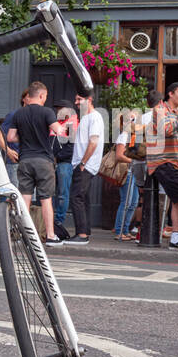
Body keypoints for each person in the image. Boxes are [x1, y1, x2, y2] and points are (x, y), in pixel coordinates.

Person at [6, 81, 65, 245]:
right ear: (40, 95)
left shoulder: (19, 114)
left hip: (25, 160)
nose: (45, 99)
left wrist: (24, 138)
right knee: (46, 199)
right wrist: (63, 127)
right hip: (43, 161)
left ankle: (23, 235)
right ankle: (51, 236)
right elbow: (57, 130)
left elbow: (10, 137)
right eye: (45, 96)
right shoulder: (47, 112)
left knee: (25, 198)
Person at [148, 82, 178, 248]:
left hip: (174, 162)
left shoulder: (177, 112)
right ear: (170, 94)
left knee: (177, 201)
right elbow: (166, 130)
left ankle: (176, 238)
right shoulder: (160, 110)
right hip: (162, 162)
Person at [113, 94, 157, 240]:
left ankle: (124, 230)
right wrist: (133, 160)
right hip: (127, 171)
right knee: (126, 201)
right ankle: (120, 231)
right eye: (133, 119)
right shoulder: (124, 135)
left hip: (132, 170)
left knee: (132, 202)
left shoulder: (133, 135)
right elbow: (119, 156)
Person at [65, 91, 104, 244]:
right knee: (83, 198)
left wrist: (83, 163)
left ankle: (81, 234)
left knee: (77, 198)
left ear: (89, 100)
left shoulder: (94, 117)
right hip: (83, 164)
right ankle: (85, 231)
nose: (76, 102)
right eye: (75, 99)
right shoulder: (87, 117)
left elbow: (93, 142)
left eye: (79, 99)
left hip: (85, 165)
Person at [52, 104, 77, 234]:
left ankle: (59, 221)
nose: (57, 112)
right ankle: (52, 221)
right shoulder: (56, 125)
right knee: (52, 193)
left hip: (64, 163)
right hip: (55, 162)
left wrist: (57, 157)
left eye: (60, 109)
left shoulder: (71, 126)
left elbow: (71, 149)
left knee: (62, 194)